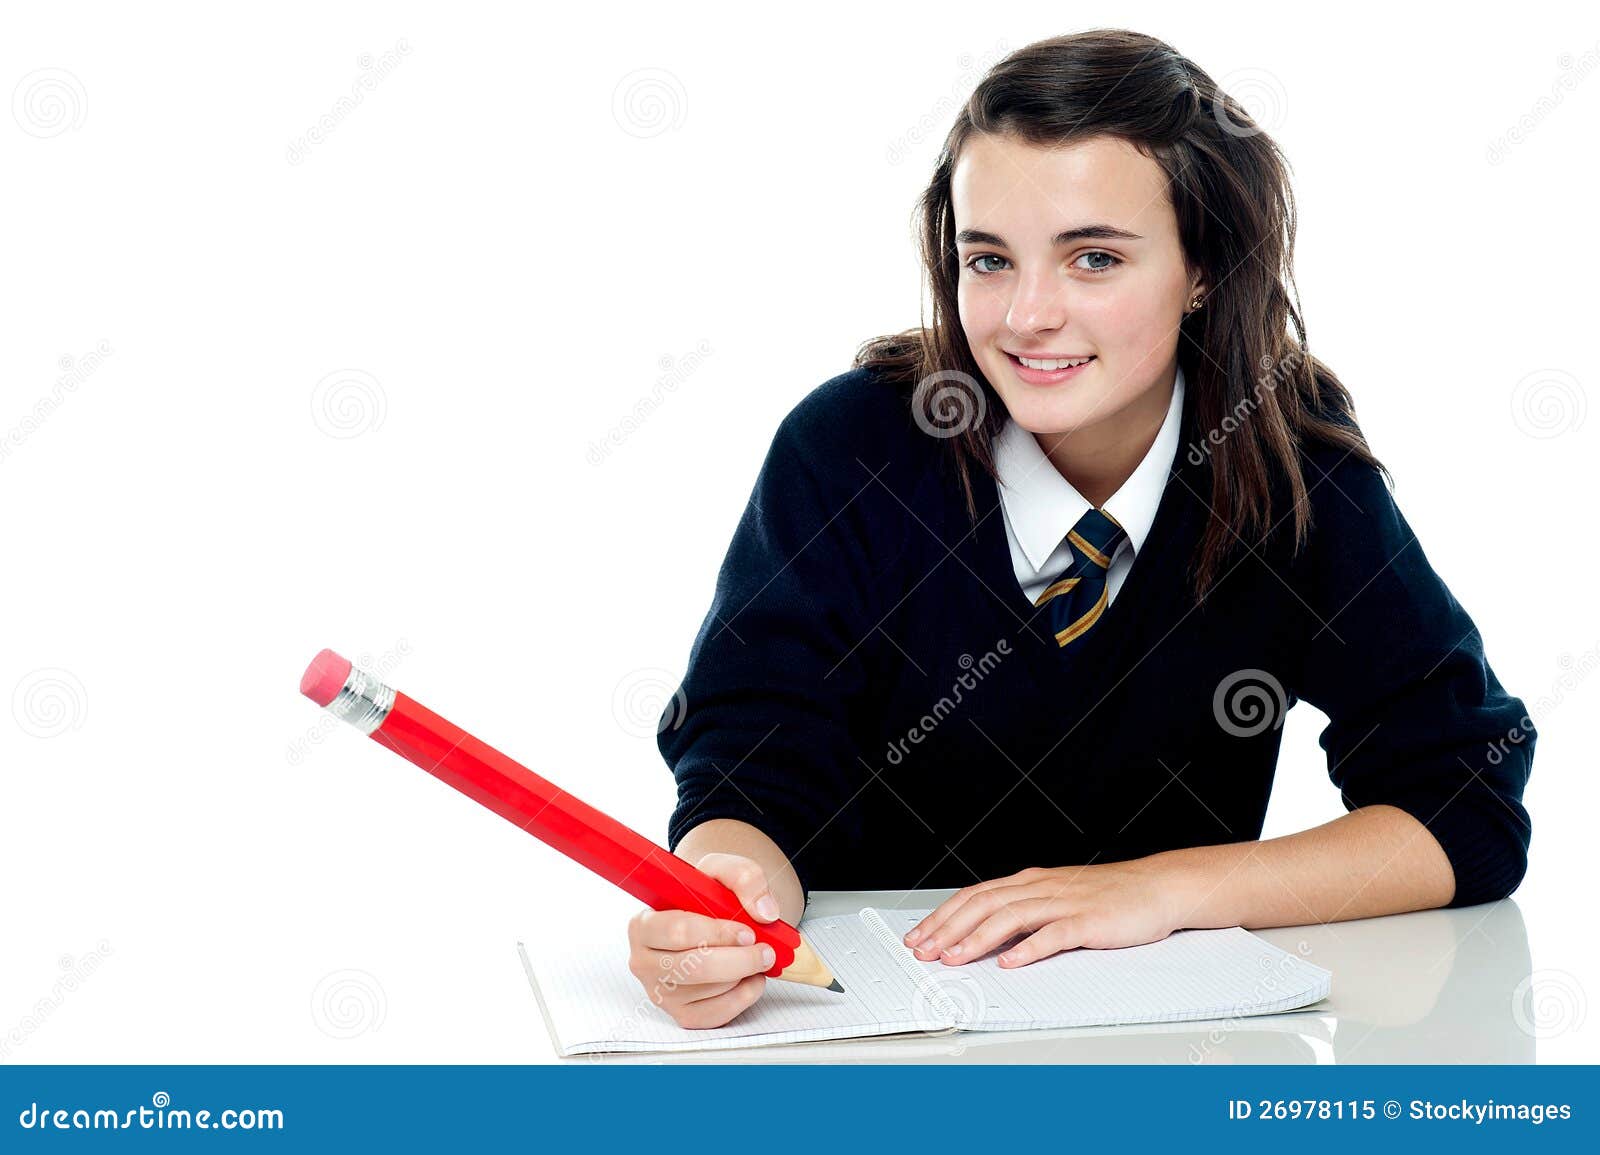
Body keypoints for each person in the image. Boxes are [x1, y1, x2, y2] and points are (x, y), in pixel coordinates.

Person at [626, 28, 1534, 1030]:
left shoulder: (1288, 465)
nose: (1025, 315)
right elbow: (752, 755)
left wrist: (1160, 889)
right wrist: (725, 902)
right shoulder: (853, 448)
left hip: (1165, 1053)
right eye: (988, 259)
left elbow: (1463, 802)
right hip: (870, 1040)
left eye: (1092, 257)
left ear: (1202, 269)